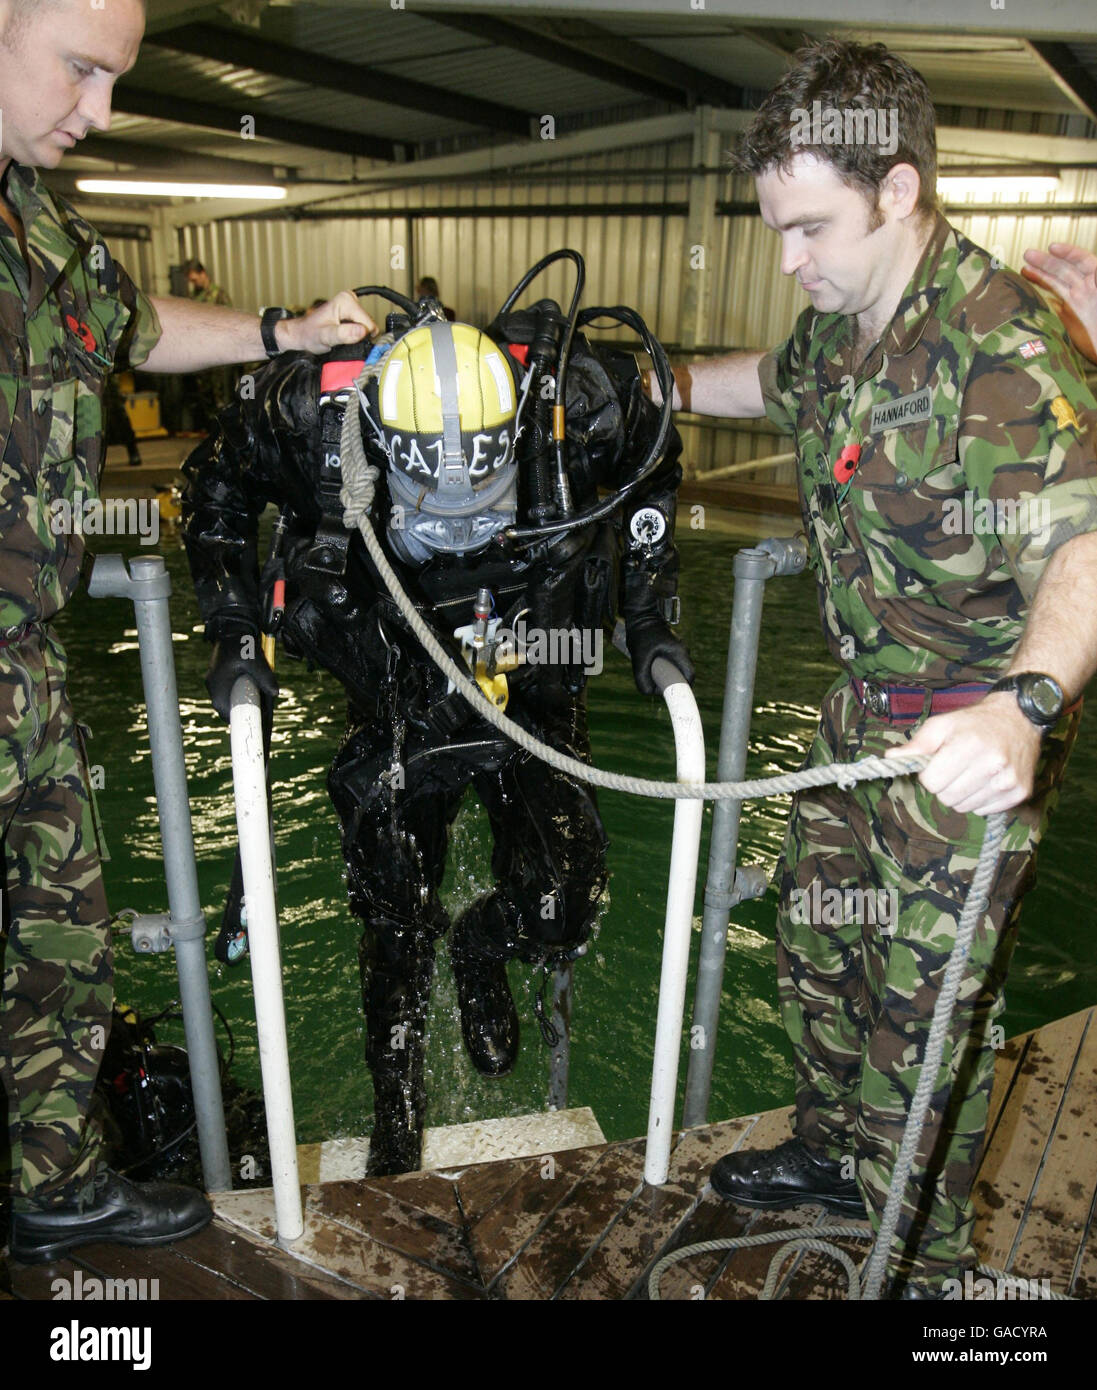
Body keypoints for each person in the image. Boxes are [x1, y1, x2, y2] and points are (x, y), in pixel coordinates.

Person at [647, 38, 1097, 1298]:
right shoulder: (846, 325)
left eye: (807, 228)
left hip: (966, 743)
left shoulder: (999, 348)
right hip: (859, 721)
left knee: (920, 1026)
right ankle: (836, 1159)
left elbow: (1083, 546)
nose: (787, 259)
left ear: (895, 191)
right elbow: (763, 382)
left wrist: (1025, 704)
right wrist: (643, 382)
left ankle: (932, 1271)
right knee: (820, 961)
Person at [0, 0, 376, 1265]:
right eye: (83, 72)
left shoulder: (32, 216)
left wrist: (289, 335)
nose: (98, 111)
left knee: (62, 925)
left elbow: (139, 329)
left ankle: (48, 1180)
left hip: (23, 661)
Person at [181, 279, 693, 1175]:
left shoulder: (578, 397)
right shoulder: (309, 412)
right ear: (375, 439)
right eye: (434, 503)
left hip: (530, 665)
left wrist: (650, 612)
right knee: (392, 912)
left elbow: (654, 468)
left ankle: (484, 945)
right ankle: (397, 1121)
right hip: (396, 680)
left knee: (566, 894)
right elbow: (211, 484)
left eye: (485, 493)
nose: (459, 523)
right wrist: (233, 629)